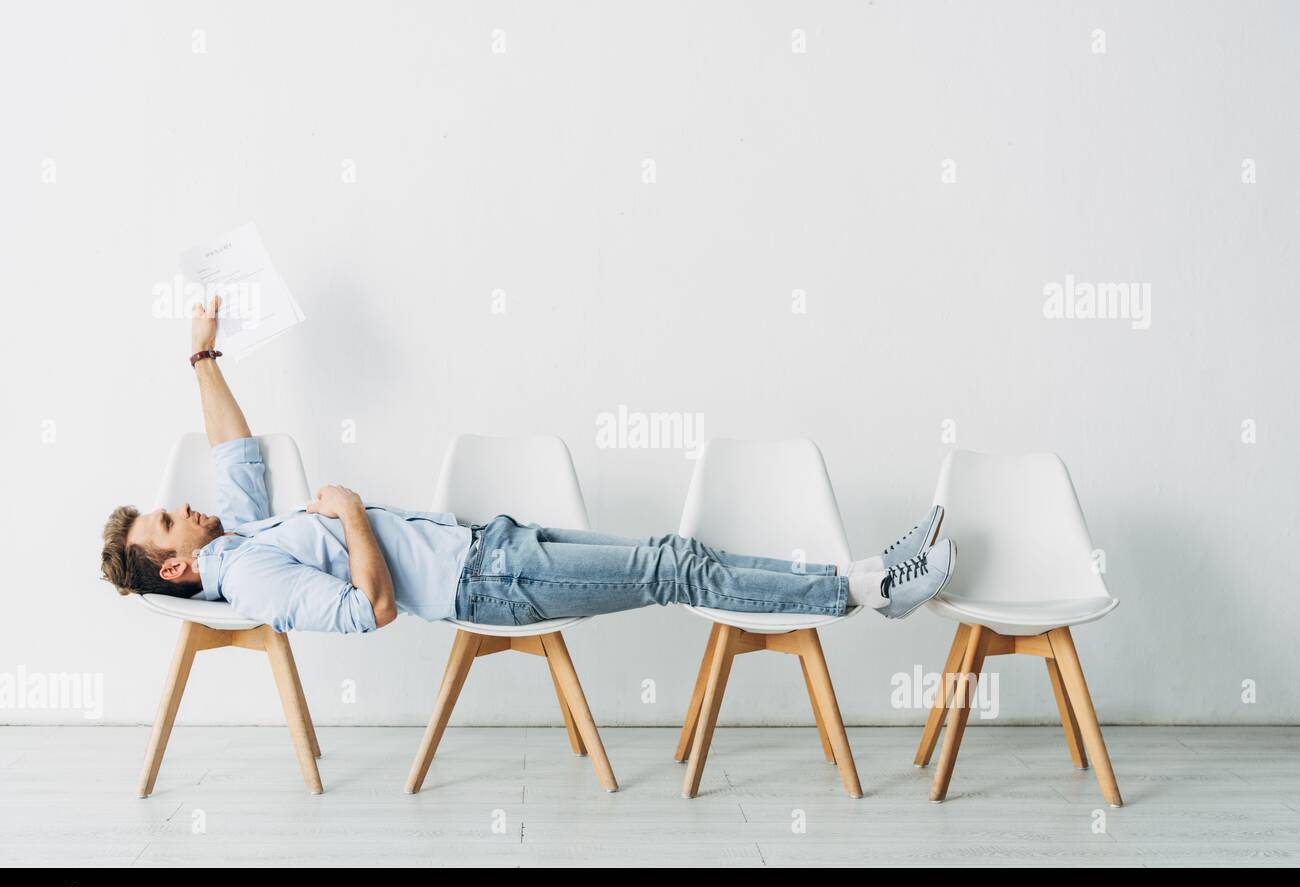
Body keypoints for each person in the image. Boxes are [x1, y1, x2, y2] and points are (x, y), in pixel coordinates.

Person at [100, 298, 955, 634]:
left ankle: (870, 577)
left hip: (490, 545)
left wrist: (201, 356)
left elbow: (232, 448)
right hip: (486, 584)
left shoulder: (241, 531)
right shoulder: (249, 579)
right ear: (175, 564)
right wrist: (351, 513)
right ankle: (869, 585)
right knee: (672, 563)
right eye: (170, 516)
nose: (185, 503)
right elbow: (371, 612)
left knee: (673, 559)